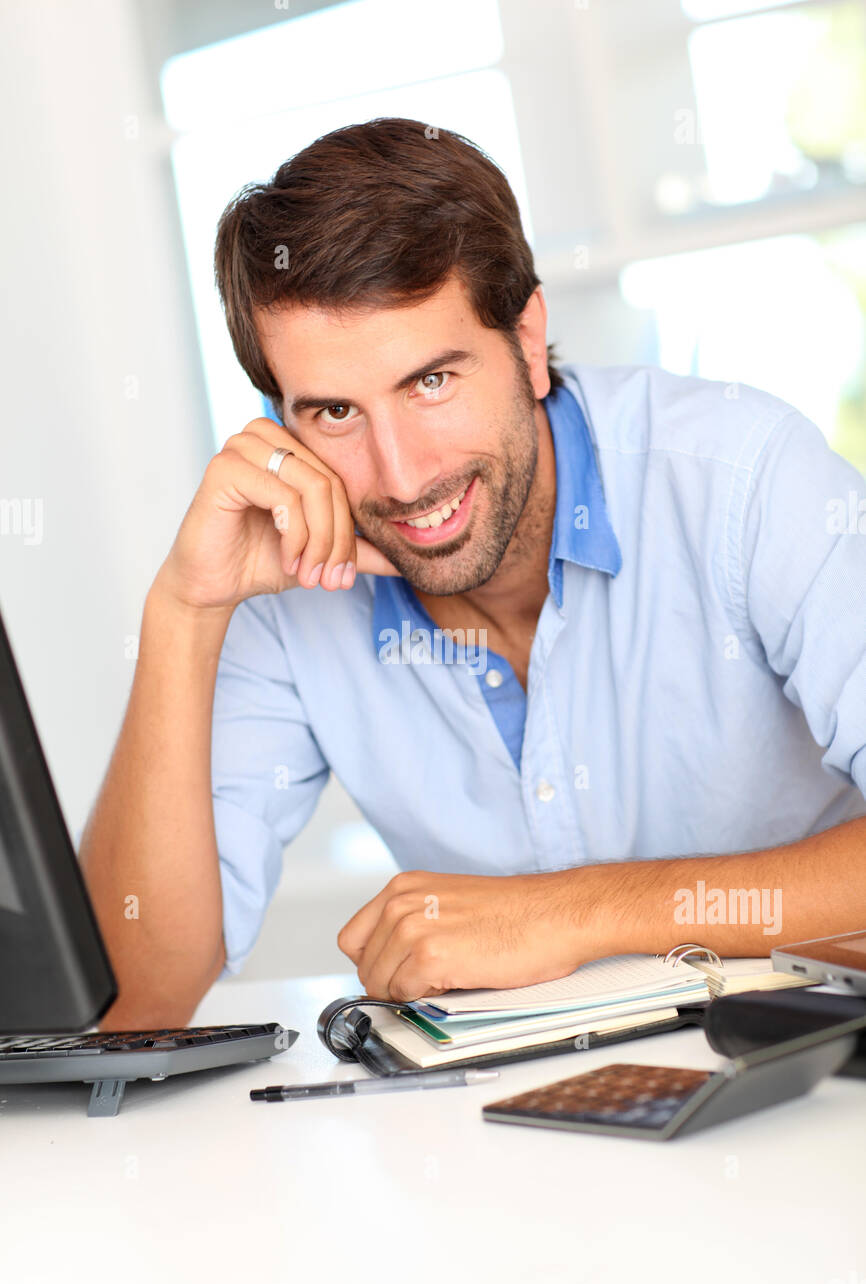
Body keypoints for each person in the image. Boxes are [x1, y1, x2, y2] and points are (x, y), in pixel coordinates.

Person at [80, 118, 866, 1029]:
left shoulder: (745, 479)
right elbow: (126, 1006)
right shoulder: (285, 586)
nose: (403, 475)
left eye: (431, 383)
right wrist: (184, 610)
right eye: (335, 411)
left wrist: (578, 912)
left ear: (527, 340)